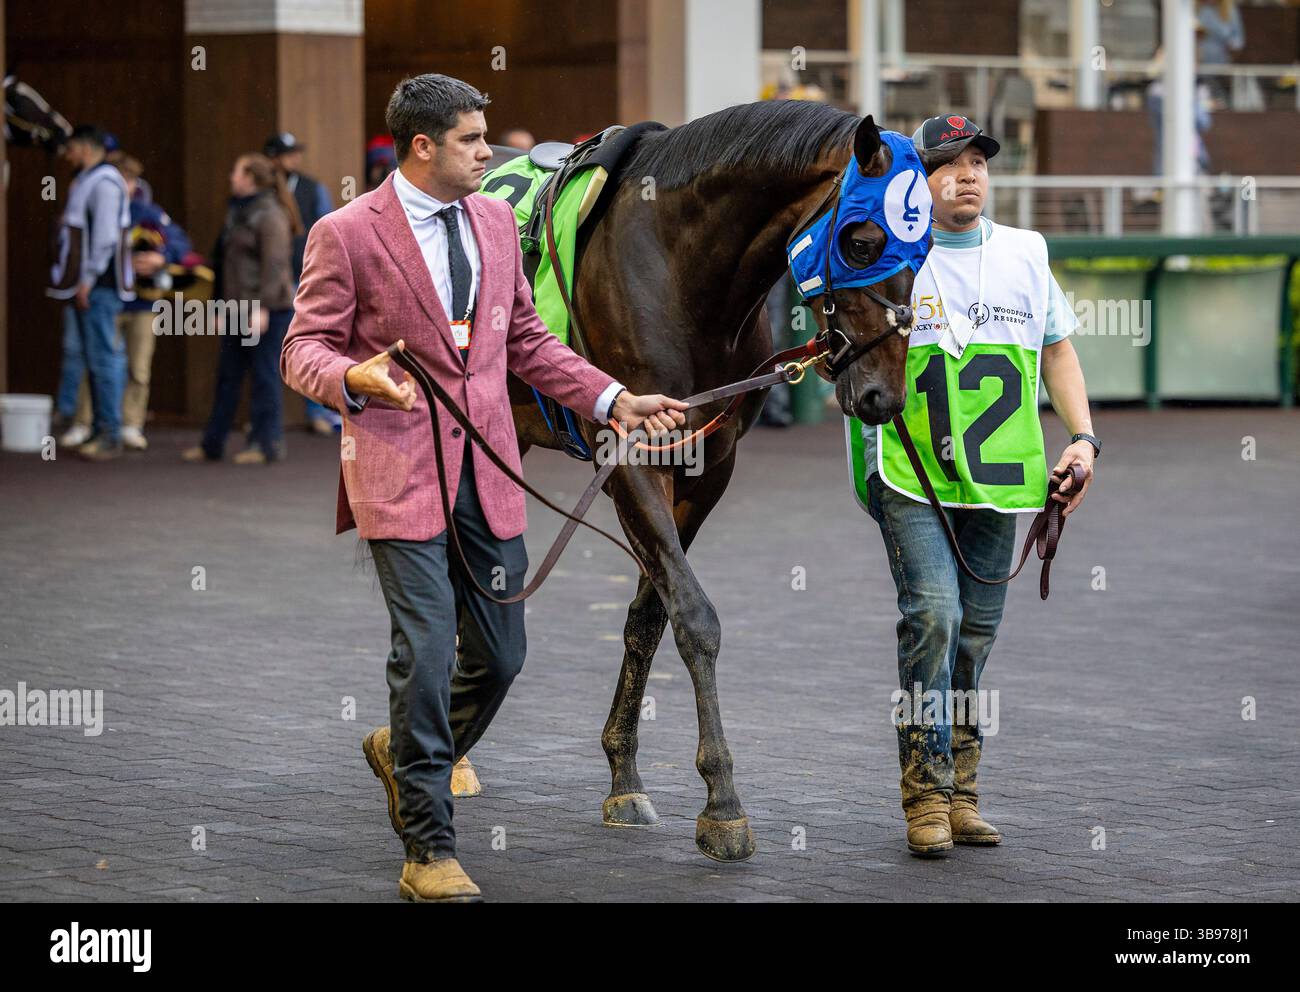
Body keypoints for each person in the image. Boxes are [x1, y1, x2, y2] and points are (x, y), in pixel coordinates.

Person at [280, 73, 688, 902]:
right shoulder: (346, 232)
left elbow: (529, 341)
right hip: (396, 476)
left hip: (490, 475)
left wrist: (614, 399)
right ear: (423, 146)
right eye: (472, 140)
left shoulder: (498, 222)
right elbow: (302, 348)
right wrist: (354, 377)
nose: (487, 152)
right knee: (425, 657)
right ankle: (428, 845)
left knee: (501, 658)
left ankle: (403, 754)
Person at [853, 115, 1098, 856]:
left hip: (1002, 479)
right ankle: (923, 797)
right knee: (932, 614)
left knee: (975, 636)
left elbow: (1057, 350)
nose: (967, 175)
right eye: (946, 163)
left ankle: (963, 792)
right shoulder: (887, 257)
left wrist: (1083, 439)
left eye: (978, 162)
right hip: (910, 472)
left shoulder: (1026, 252)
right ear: (915, 181)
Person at [61, 154, 192, 451]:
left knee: (138, 367)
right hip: (109, 297)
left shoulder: (148, 212)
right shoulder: (96, 208)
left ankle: (131, 424)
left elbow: (181, 243)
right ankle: (84, 422)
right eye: (123, 180)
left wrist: (161, 258)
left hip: (143, 303)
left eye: (132, 181)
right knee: (95, 362)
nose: (127, 187)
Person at [182, 153, 299, 464]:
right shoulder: (238, 211)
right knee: (227, 375)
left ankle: (266, 444)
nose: (231, 177)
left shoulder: (270, 214)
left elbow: (275, 267)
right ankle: (213, 443)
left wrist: (262, 308)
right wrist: (220, 308)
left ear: (250, 179)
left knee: (264, 376)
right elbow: (225, 265)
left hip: (266, 311)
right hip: (237, 308)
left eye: (236, 172)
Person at [48, 124, 135, 461]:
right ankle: (103, 429)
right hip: (92, 284)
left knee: (103, 358)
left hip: (99, 285)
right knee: (96, 358)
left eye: (70, 148)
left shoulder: (104, 182)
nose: (67, 155)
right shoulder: (89, 181)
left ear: (84, 148)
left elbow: (104, 237)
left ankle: (110, 433)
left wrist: (87, 278)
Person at [265, 131, 340, 436]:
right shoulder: (263, 190)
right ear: (272, 157)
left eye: (297, 152)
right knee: (270, 349)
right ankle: (270, 421)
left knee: (314, 342)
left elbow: (327, 231)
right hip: (270, 279)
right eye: (288, 153)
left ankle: (318, 411)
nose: (295, 158)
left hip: (301, 276)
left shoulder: (311, 188)